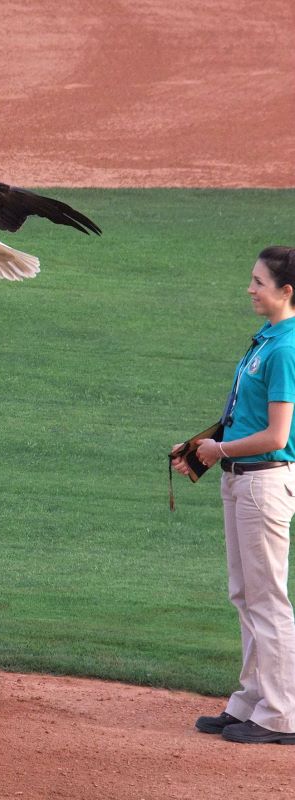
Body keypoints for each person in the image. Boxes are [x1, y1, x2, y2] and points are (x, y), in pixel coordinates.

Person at [171, 246, 295, 744]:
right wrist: (201, 448)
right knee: (245, 594)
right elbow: (246, 416)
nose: (250, 289)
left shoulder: (285, 349)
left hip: (263, 482)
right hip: (240, 480)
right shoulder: (267, 339)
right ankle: (251, 701)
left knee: (268, 600)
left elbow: (277, 435)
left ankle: (281, 715)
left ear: (287, 291)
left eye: (259, 282)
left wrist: (217, 449)